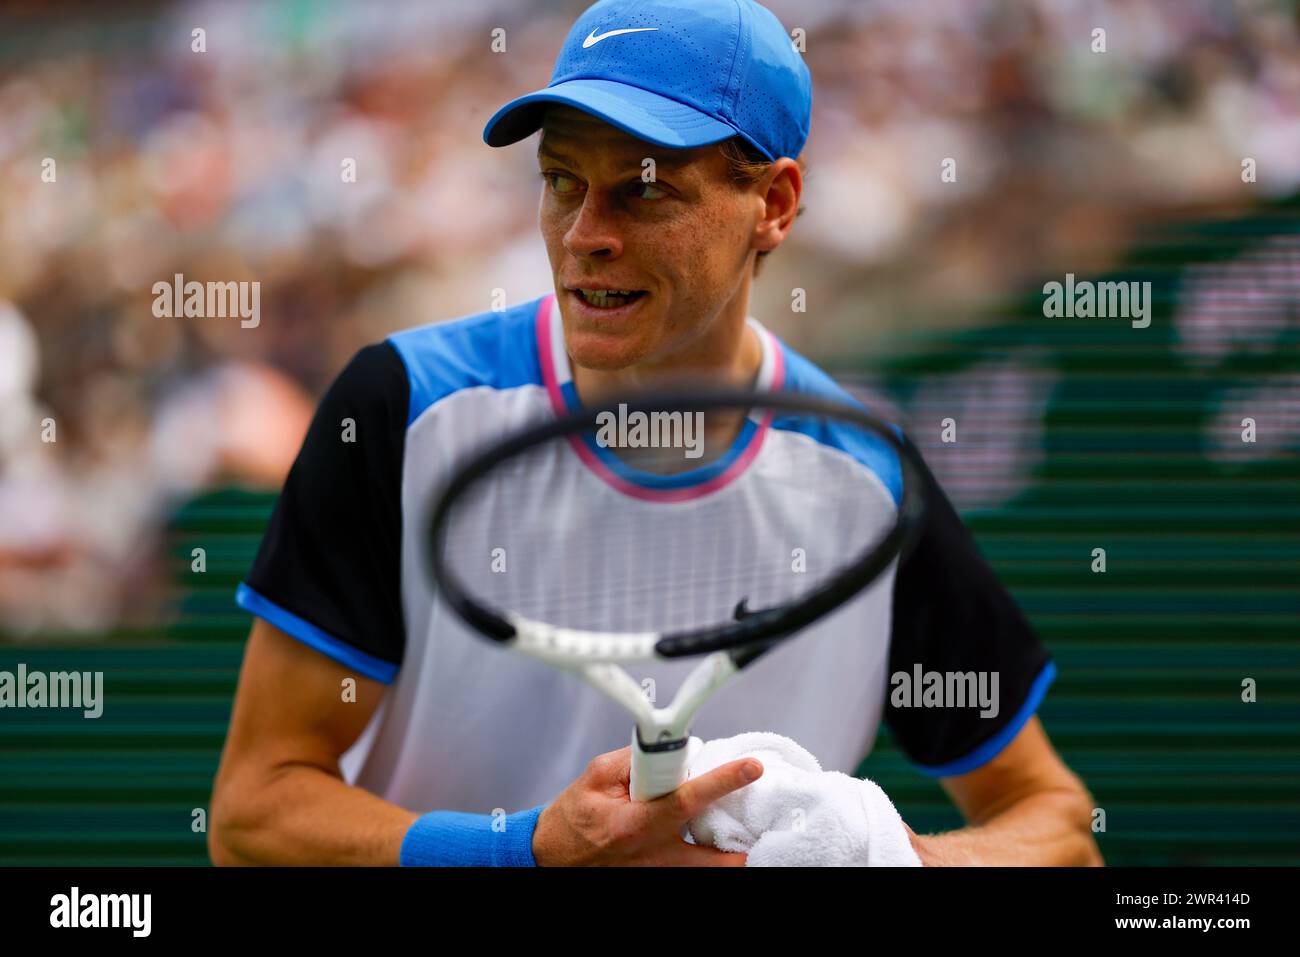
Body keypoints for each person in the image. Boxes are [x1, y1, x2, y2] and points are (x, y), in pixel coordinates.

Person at [209, 0, 1102, 867]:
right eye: (562, 182)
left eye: (644, 191)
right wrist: (519, 853)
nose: (584, 236)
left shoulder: (871, 484)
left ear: (775, 205)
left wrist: (887, 860)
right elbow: (253, 816)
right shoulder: (400, 407)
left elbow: (1056, 825)